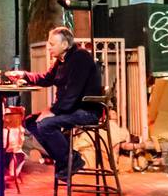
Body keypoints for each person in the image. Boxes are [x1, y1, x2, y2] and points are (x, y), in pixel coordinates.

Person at [16, 27, 104, 179]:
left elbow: (73, 93)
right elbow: (46, 78)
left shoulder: (80, 57)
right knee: (31, 122)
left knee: (45, 124)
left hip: (86, 111)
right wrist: (24, 75)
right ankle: (64, 159)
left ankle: (71, 160)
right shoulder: (61, 61)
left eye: (52, 44)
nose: (48, 47)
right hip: (72, 109)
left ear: (64, 45)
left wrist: (53, 111)